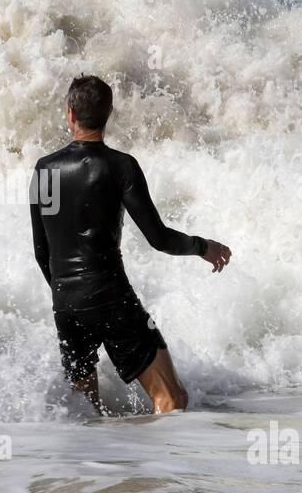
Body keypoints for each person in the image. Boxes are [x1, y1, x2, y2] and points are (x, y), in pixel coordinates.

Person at [29, 75, 230, 415]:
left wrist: (69, 294)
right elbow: (159, 238)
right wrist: (202, 246)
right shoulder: (121, 167)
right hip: (110, 297)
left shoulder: (45, 170)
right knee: (172, 399)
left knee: (88, 416)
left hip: (65, 305)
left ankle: (96, 468)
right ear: (109, 113)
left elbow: (41, 251)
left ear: (70, 115)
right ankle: (156, 470)